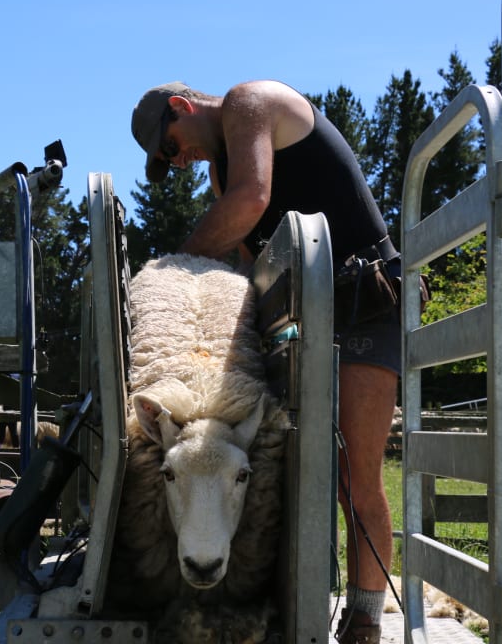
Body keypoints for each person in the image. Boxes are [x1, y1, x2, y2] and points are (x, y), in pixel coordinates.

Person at [131, 80, 401, 644]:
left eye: (171, 148)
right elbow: (252, 255)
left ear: (180, 109)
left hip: (363, 301)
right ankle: (298, 598)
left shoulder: (248, 103)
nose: (179, 163)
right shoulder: (219, 170)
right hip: (304, 320)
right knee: (292, 467)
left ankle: (366, 621)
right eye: (168, 161)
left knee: (355, 477)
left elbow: (251, 200)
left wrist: (176, 260)